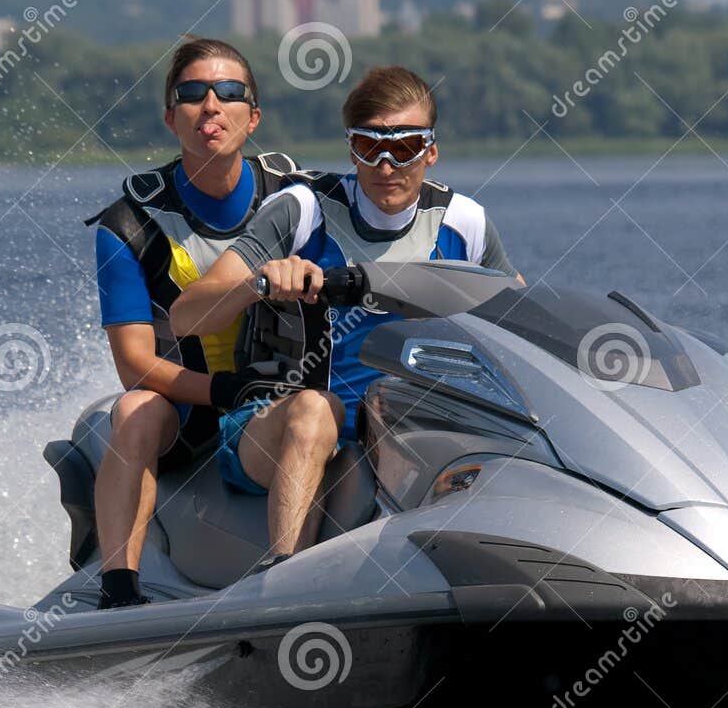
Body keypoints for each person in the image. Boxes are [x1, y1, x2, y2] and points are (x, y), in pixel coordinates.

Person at [168, 66, 517, 567]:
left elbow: (521, 318)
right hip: (278, 426)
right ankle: (280, 579)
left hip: (406, 431)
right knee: (318, 409)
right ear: (351, 149)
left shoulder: (466, 223)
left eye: (405, 147)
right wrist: (259, 282)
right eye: (368, 146)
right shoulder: (302, 209)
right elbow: (186, 318)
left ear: (431, 151)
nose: (386, 165)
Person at [86, 37, 302, 608]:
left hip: (283, 406)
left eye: (229, 93)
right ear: (169, 117)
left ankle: (299, 580)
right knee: (133, 408)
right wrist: (221, 391)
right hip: (185, 411)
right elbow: (133, 364)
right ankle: (119, 588)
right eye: (192, 94)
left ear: (252, 118)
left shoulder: (300, 200)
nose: (211, 106)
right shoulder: (129, 224)